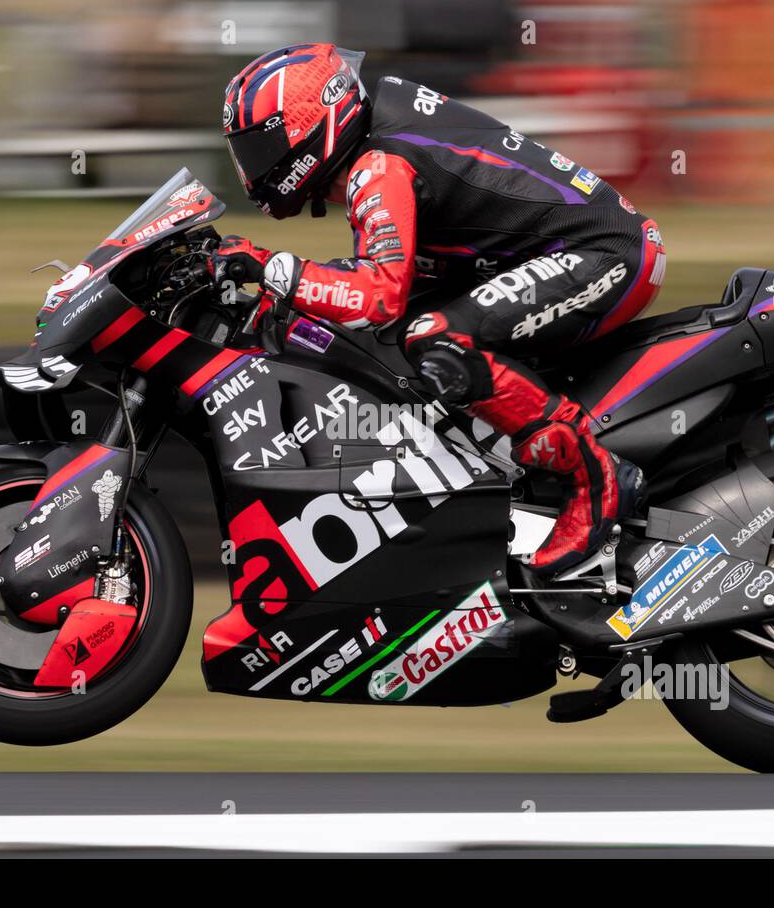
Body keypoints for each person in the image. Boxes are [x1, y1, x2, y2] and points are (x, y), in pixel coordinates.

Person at [212, 43, 665, 578]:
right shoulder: (377, 141)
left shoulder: (378, 166)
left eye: (264, 145)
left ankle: (595, 480)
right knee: (393, 327)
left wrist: (271, 268)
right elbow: (385, 273)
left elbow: (378, 296)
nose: (255, 167)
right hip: (533, 255)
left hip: (603, 254)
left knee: (439, 339)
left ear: (313, 120)